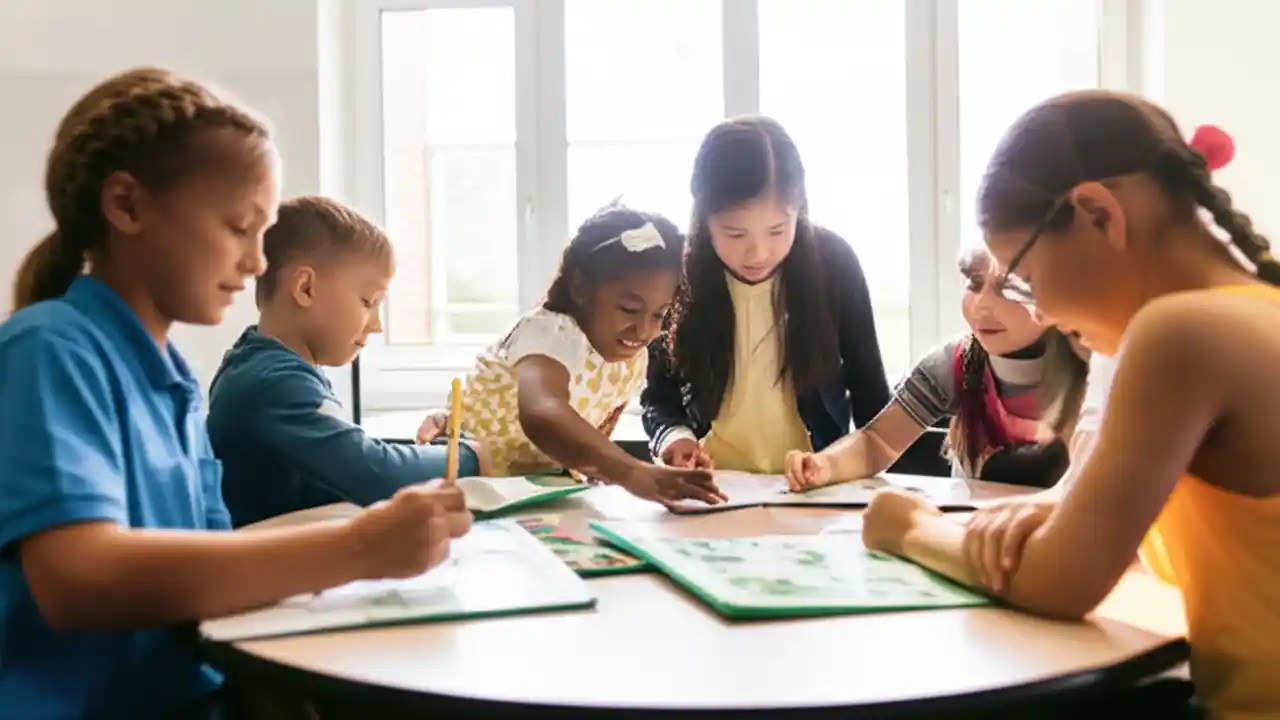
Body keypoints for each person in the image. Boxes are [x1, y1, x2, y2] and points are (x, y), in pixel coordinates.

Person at [0, 67, 469, 718]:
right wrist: (358, 548)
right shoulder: (51, 347)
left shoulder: (175, 381)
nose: (255, 262)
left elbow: (219, 572)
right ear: (127, 206)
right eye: (238, 227)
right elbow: (78, 580)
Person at [861, 93, 1280, 718]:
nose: (1044, 313)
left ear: (1097, 215)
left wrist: (909, 527)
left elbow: (1060, 582)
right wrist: (1063, 503)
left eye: (1023, 278)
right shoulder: (1248, 312)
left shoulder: (1180, 333)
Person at [207, 196, 487, 527]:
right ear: (306, 288)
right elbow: (375, 472)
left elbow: (348, 457)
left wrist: (442, 446)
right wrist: (473, 458)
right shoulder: (273, 383)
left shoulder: (264, 364)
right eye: (369, 302)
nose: (377, 324)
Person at [421, 203, 723, 507]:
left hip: (533, 494)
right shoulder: (549, 332)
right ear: (580, 288)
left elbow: (589, 441)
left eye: (660, 313)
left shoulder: (631, 358)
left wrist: (671, 453)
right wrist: (631, 472)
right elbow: (542, 411)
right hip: (473, 487)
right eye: (629, 310)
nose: (644, 330)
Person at [642, 116, 890, 475]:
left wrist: (858, 471)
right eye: (735, 233)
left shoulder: (832, 264)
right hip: (714, 487)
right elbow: (658, 397)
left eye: (777, 230)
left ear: (799, 209)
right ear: (703, 216)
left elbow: (872, 396)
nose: (758, 253)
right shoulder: (678, 275)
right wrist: (675, 439)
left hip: (816, 489)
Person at [785, 246, 1088, 490]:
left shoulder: (1095, 374)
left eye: (1007, 288)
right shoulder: (955, 362)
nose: (981, 305)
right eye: (975, 283)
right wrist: (825, 465)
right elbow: (876, 442)